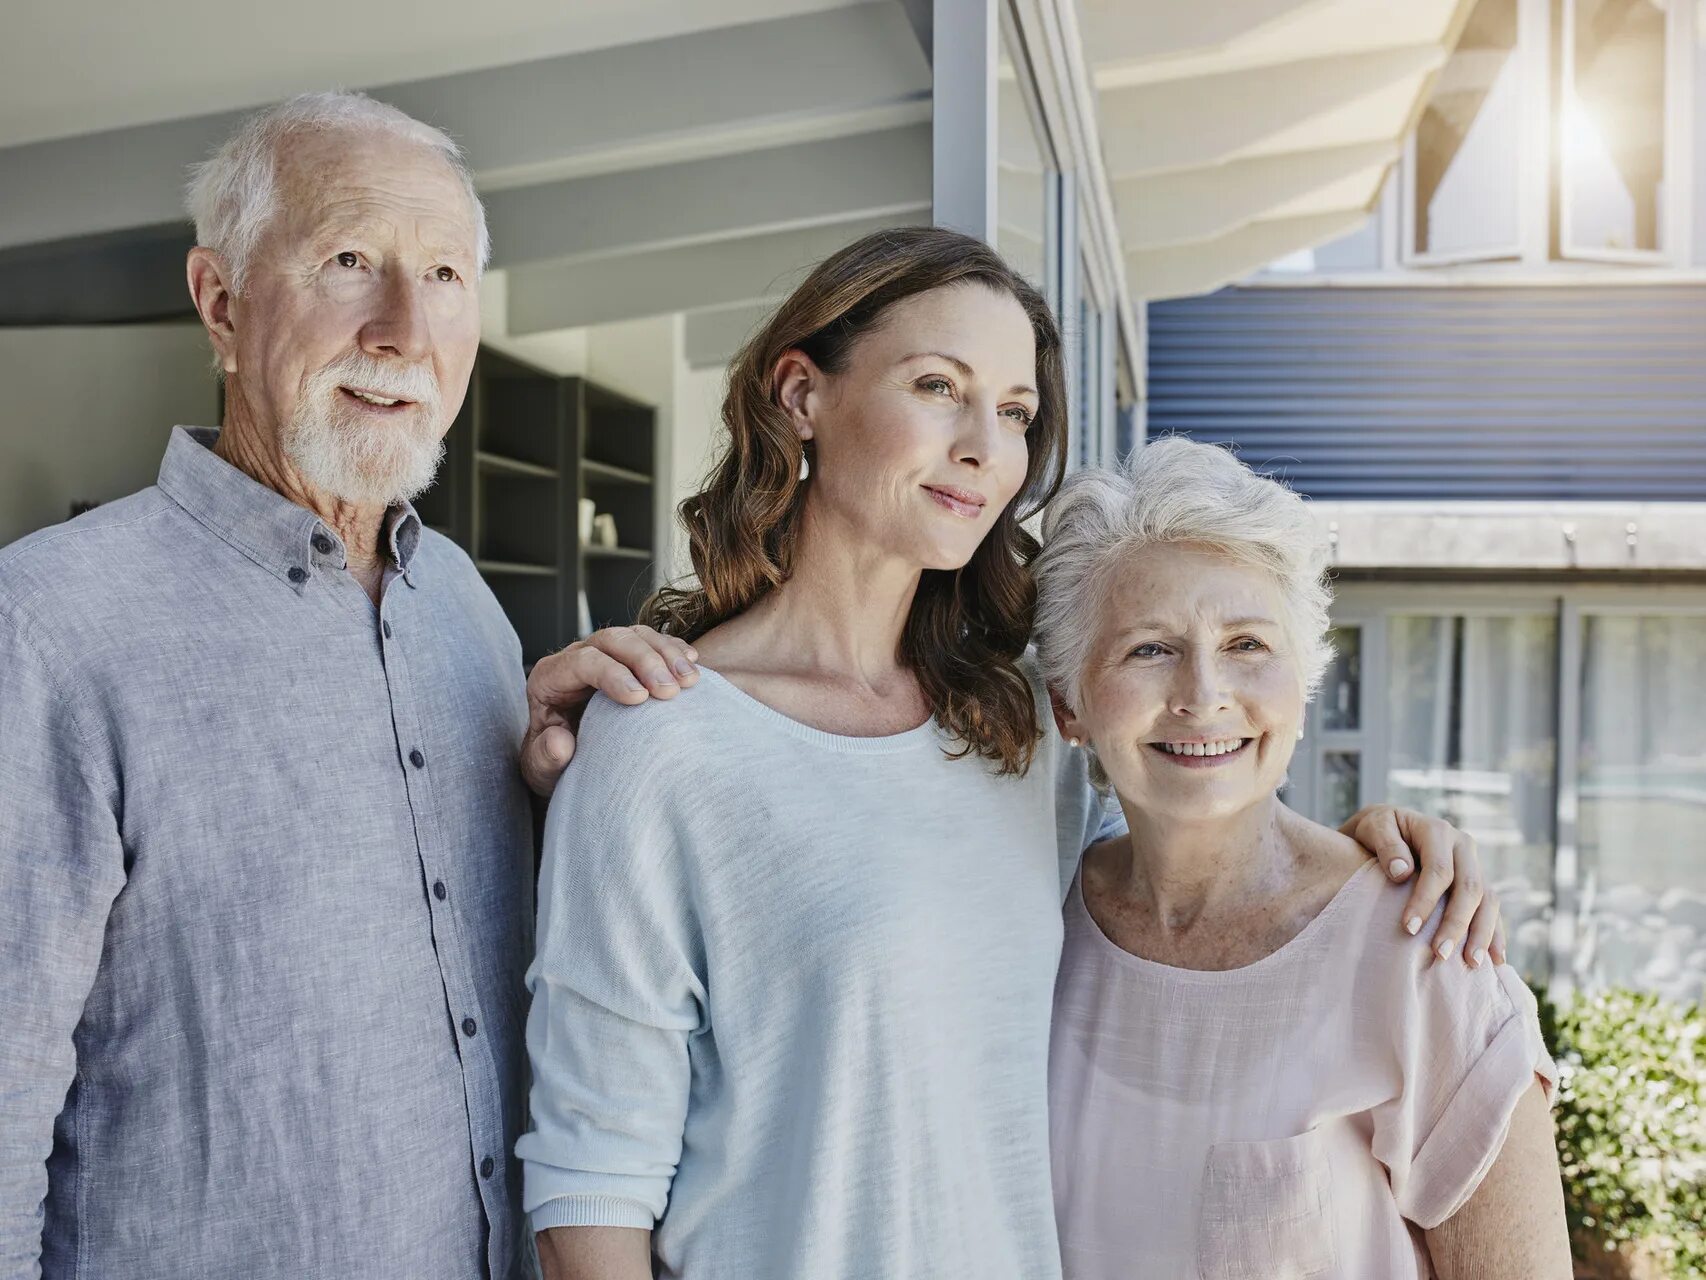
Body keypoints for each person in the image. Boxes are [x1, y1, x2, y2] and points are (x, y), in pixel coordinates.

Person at [518, 226, 1503, 1280]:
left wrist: (1372, 846)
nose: (986, 446)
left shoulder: (1015, 726)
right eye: (938, 386)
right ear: (800, 394)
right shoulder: (657, 739)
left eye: (1016, 411)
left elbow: (1183, 855)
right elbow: (591, 1171)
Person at [0, 91, 691, 1280]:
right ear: (220, 302)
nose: (401, 329)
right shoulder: (47, 625)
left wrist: (559, 788)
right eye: (348, 261)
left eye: (444, 276)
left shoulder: (465, 609)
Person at [1038, 437, 1569, 1279]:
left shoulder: (1427, 953)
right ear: (1069, 704)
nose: (1205, 693)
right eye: (1149, 648)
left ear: (1303, 677)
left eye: (1248, 644)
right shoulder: (1031, 937)